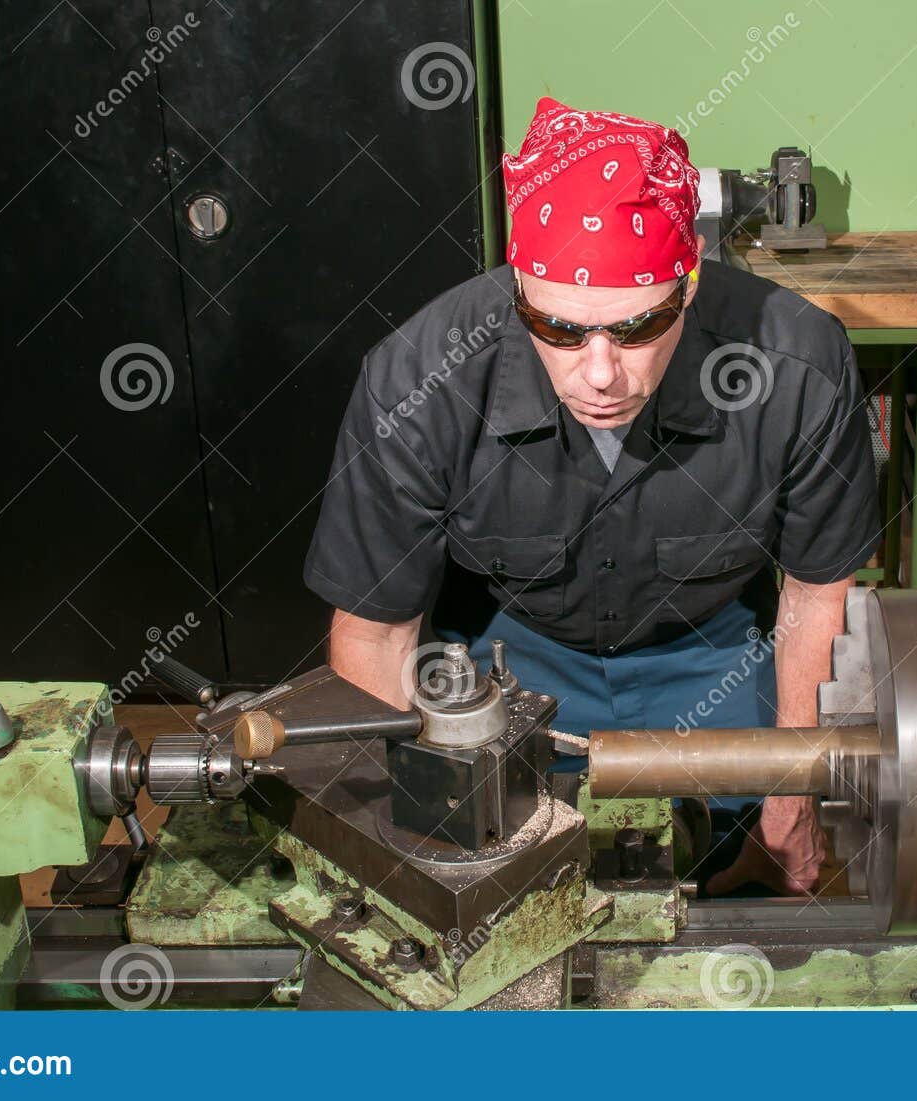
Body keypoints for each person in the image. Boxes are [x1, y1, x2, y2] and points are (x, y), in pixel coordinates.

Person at [303, 97, 878, 896]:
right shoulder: (418, 382)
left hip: (711, 659)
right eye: (562, 330)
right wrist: (388, 849)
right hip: (512, 669)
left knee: (736, 882)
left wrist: (791, 793)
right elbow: (375, 639)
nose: (601, 373)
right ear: (517, 292)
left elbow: (816, 599)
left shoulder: (799, 368)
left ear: (690, 281)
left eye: (637, 329)